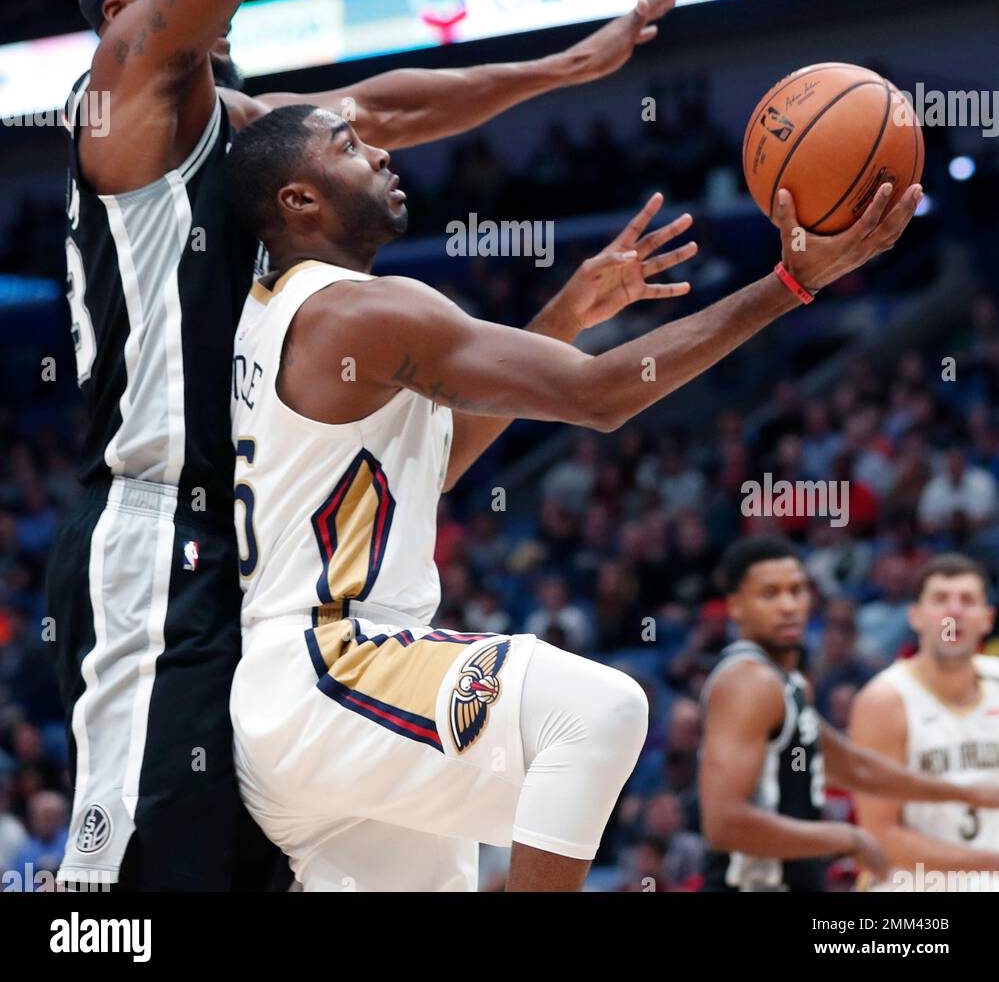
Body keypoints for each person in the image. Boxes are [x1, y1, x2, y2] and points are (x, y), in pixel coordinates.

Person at [48, 0, 687, 892]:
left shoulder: (236, 134)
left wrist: (569, 62)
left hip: (255, 539)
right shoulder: (119, 110)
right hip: (155, 537)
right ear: (131, 16)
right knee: (121, 891)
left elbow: (382, 106)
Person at [222, 101, 919, 890]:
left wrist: (566, 317)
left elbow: (439, 463)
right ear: (298, 201)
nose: (380, 154)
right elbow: (601, 397)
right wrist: (791, 281)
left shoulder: (275, 313)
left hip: (310, 707)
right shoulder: (363, 309)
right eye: (349, 147)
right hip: (334, 666)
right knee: (595, 712)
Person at [698, 537, 999, 892]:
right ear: (736, 607)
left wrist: (965, 792)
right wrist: (847, 838)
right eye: (770, 594)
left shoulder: (788, 682)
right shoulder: (748, 681)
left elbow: (853, 767)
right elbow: (723, 824)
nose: (788, 606)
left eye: (797, 591)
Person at [849, 553, 999, 890]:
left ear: (987, 619)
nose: (954, 611)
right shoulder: (885, 701)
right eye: (941, 599)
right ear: (915, 616)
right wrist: (990, 864)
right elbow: (878, 838)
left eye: (968, 600)